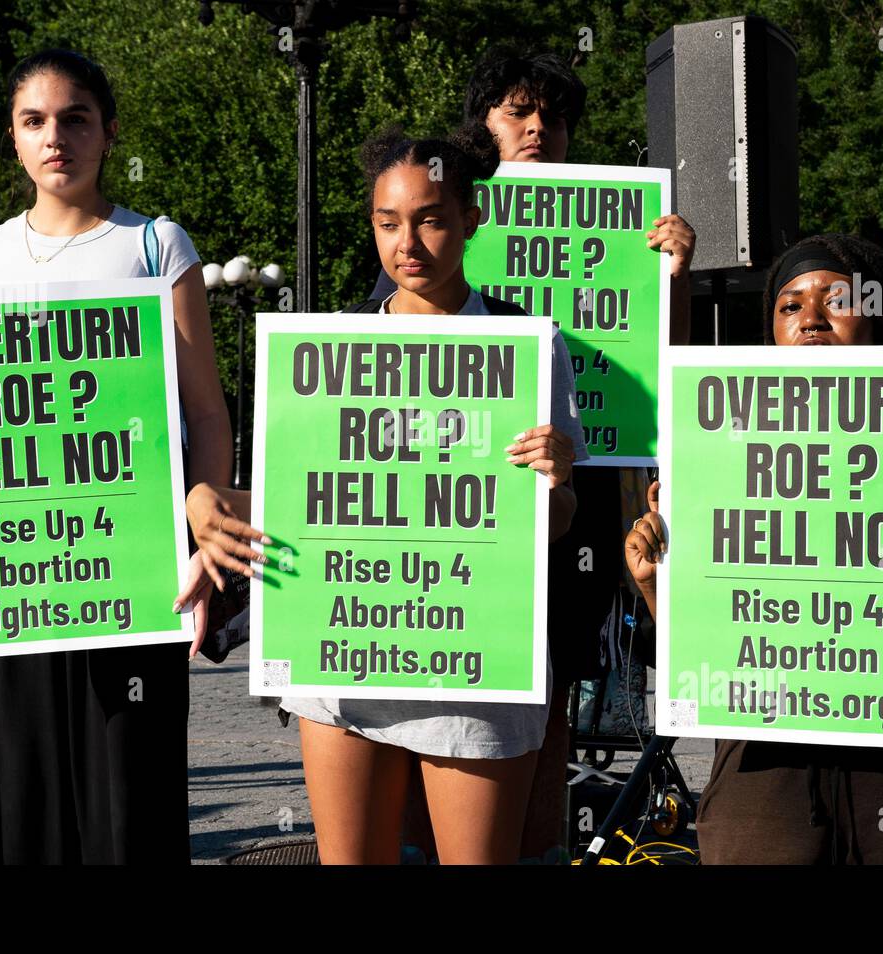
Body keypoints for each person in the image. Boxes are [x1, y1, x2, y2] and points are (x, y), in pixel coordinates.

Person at [0, 49, 267, 863]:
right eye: (34, 121)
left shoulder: (156, 245)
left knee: (131, 808)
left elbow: (204, 411)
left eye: (75, 119)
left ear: (109, 132)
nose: (56, 137)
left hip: (132, 582)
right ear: (13, 139)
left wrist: (204, 525)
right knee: (22, 807)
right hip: (9, 588)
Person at [370, 45, 696, 862]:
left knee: (548, 694)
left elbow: (666, 380)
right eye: (517, 111)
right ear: (481, 127)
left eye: (553, 115)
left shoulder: (621, 233)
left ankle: (536, 850)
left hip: (572, 501)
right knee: (437, 692)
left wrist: (672, 281)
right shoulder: (431, 220)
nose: (538, 127)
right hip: (451, 523)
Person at [625, 234, 883, 864]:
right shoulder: (716, 445)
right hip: (765, 778)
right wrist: (654, 583)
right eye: (790, 306)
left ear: (881, 319)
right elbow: (702, 639)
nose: (812, 320)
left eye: (839, 302)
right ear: (771, 328)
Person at [278, 122, 584, 864]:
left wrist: (555, 479)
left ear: (473, 217)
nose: (407, 243)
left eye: (430, 220)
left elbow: (556, 524)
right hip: (349, 659)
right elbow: (297, 502)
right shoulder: (329, 346)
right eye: (388, 223)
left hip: (475, 666)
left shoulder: (529, 344)